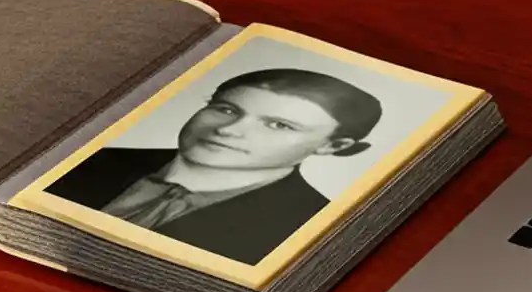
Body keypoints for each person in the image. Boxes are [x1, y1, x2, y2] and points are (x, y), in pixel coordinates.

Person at [46, 69, 382, 264]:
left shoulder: (312, 226)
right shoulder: (92, 160)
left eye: (279, 125)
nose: (228, 130)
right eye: (226, 109)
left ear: (334, 147)